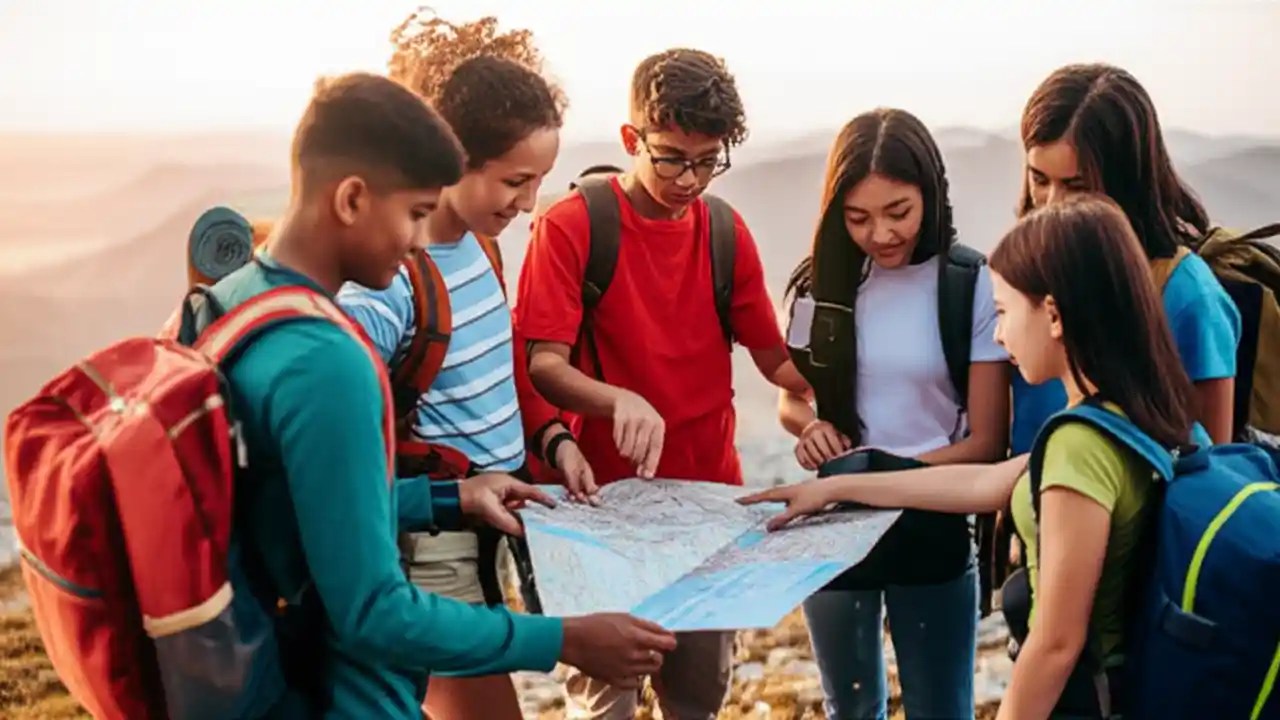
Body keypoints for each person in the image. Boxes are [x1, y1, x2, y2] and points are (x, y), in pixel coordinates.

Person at [214, 71, 675, 720]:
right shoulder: (334, 357)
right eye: (415, 214)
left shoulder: (230, 305)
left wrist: (449, 495)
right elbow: (374, 609)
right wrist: (564, 639)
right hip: (342, 688)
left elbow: (317, 499)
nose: (417, 241)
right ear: (351, 199)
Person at [743, 195, 1203, 719]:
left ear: (1052, 315)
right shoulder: (1126, 419)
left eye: (1004, 313)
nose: (1001, 338)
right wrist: (833, 488)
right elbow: (981, 484)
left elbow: (1055, 644)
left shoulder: (1080, 450)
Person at [515, 47, 808, 720]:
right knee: (605, 705)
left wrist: (850, 382)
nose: (690, 179)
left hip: (708, 507)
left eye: (708, 161)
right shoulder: (572, 226)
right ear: (631, 140)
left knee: (698, 698)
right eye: (673, 156)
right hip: (598, 511)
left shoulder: (725, 233)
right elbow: (542, 363)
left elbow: (776, 363)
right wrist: (618, 398)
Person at [335, 54, 592, 720]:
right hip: (436, 536)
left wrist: (555, 436)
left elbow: (500, 362)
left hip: (499, 506)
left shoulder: (482, 245)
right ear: (455, 159)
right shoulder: (387, 284)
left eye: (539, 181)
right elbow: (350, 450)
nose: (530, 202)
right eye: (515, 181)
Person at [778, 108, 1011, 720]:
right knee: (849, 710)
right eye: (857, 217)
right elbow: (790, 396)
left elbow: (987, 441)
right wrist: (813, 428)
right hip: (832, 525)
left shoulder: (972, 285)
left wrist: (877, 479)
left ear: (931, 194)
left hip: (931, 518)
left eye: (898, 212)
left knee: (942, 709)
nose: (879, 233)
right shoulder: (819, 285)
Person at [1008, 63, 1241, 454]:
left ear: (1124, 181)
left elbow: (1212, 468)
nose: (1052, 204)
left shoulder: (1188, 297)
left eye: (1076, 185)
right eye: (1039, 180)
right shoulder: (1024, 274)